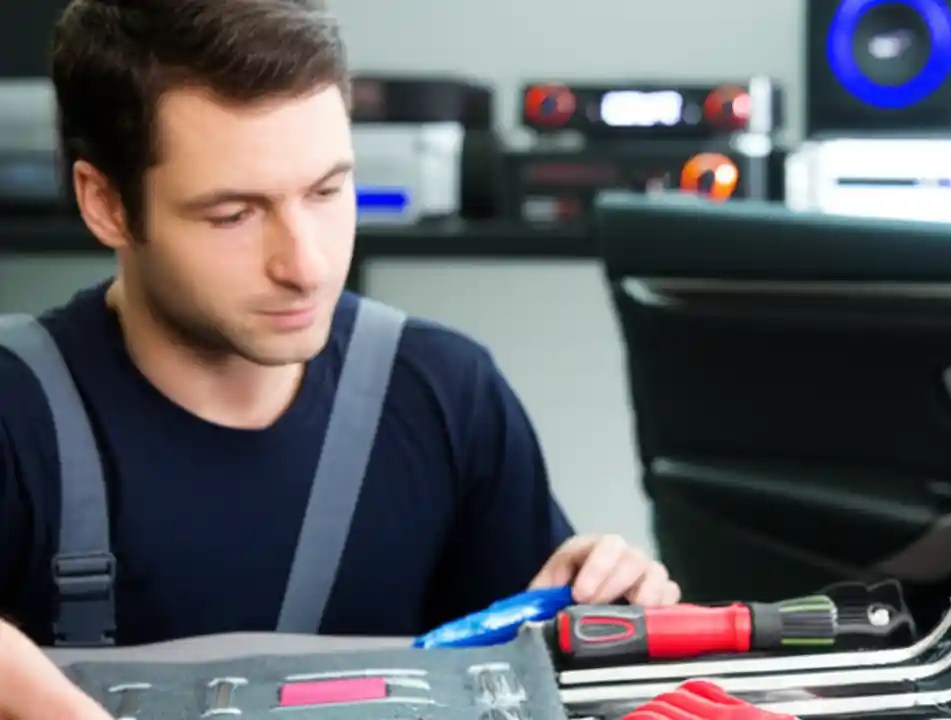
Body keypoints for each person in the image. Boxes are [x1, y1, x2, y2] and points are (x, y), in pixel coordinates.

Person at [0, 0, 678, 716]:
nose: (307, 264)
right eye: (234, 215)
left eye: (327, 191)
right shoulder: (16, 410)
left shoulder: (448, 396)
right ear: (105, 203)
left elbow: (545, 669)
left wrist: (606, 611)